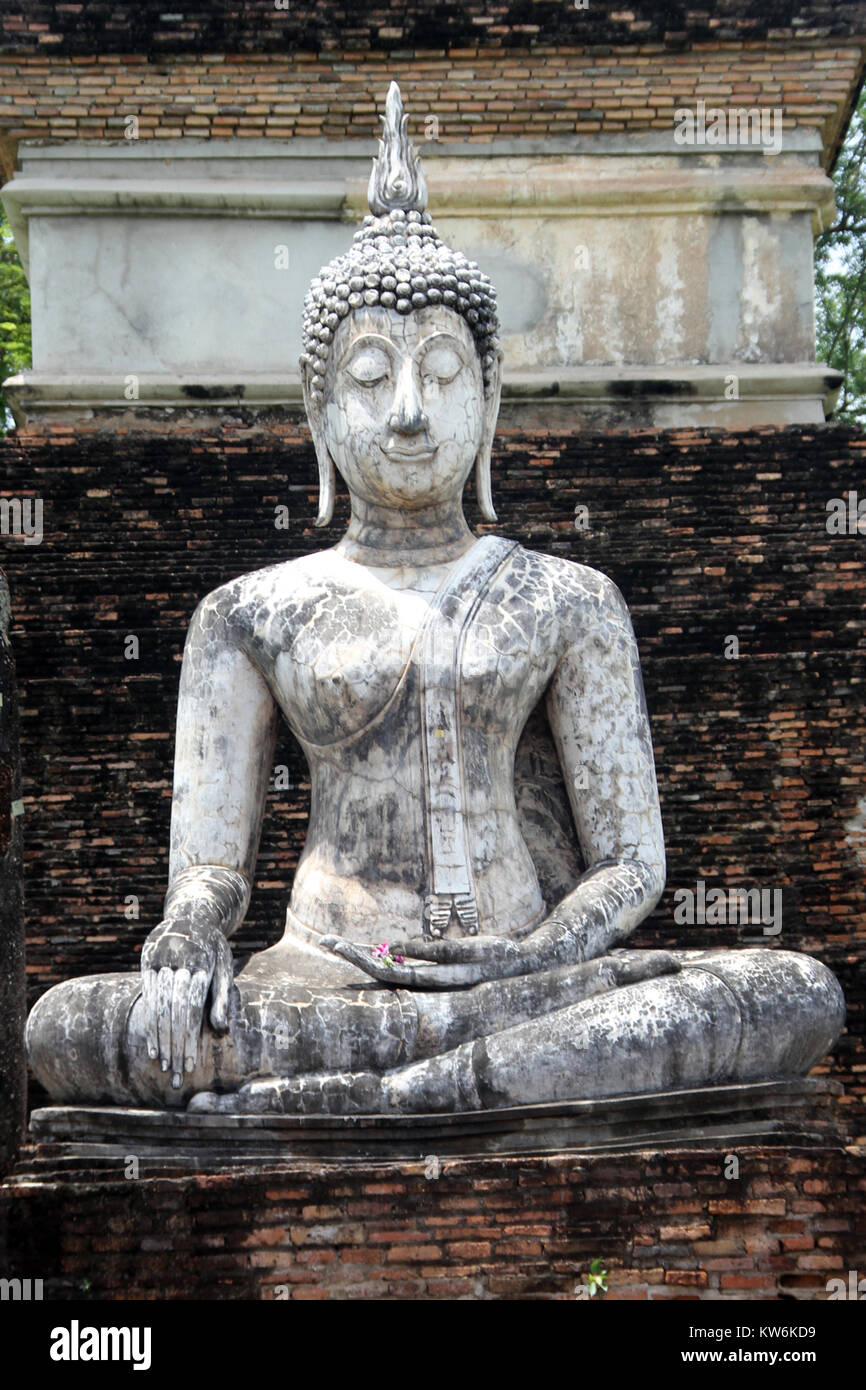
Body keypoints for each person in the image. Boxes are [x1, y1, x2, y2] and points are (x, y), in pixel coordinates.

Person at [26, 84, 844, 1116]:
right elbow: (209, 868)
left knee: (785, 991)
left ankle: (397, 1092)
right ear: (318, 406)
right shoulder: (249, 612)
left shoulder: (567, 598)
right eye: (369, 374)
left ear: (488, 400)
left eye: (443, 372)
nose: (408, 410)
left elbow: (632, 863)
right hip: (322, 984)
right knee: (72, 1026)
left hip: (526, 979)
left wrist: (537, 948)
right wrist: (186, 937)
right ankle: (448, 1078)